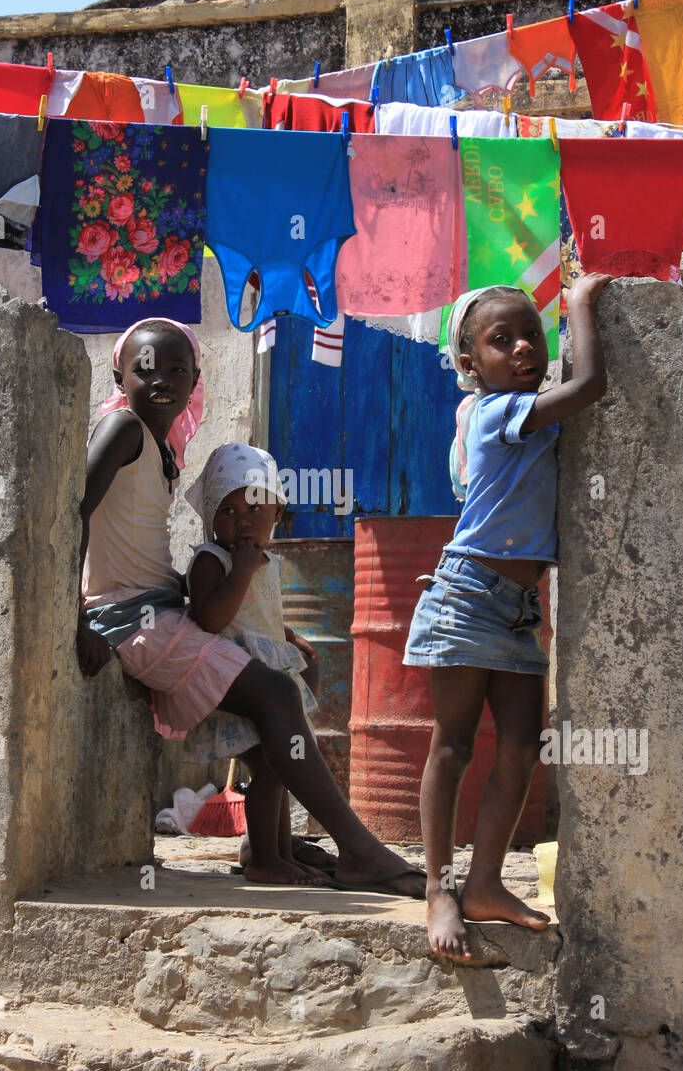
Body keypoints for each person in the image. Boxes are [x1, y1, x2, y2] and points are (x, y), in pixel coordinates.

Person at [77, 316, 425, 898]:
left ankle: (270, 852)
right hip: (128, 615)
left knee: (277, 702)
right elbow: (76, 509)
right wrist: (78, 616)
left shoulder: (159, 447)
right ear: (118, 373)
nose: (160, 377)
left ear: (194, 382)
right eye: (144, 366)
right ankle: (357, 848)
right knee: (276, 693)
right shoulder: (122, 428)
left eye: (176, 369)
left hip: (159, 608)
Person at [404, 274, 610, 960]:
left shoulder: (522, 408)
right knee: (454, 744)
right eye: (502, 341)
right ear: (469, 366)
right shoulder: (496, 413)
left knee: (522, 749)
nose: (525, 348)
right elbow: (587, 390)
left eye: (534, 333)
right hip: (469, 596)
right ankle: (440, 886)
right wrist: (579, 305)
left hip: (521, 607)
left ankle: (486, 883)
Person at [182, 443, 334, 885]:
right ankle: (266, 858)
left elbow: (260, 616)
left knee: (279, 767)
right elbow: (210, 619)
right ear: (210, 518)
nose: (242, 519)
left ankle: (279, 852)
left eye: (253, 507)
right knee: (270, 764)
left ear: (277, 513)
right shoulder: (215, 560)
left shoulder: (267, 561)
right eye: (227, 511)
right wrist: (241, 571)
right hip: (235, 685)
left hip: (270, 679)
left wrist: (289, 636)